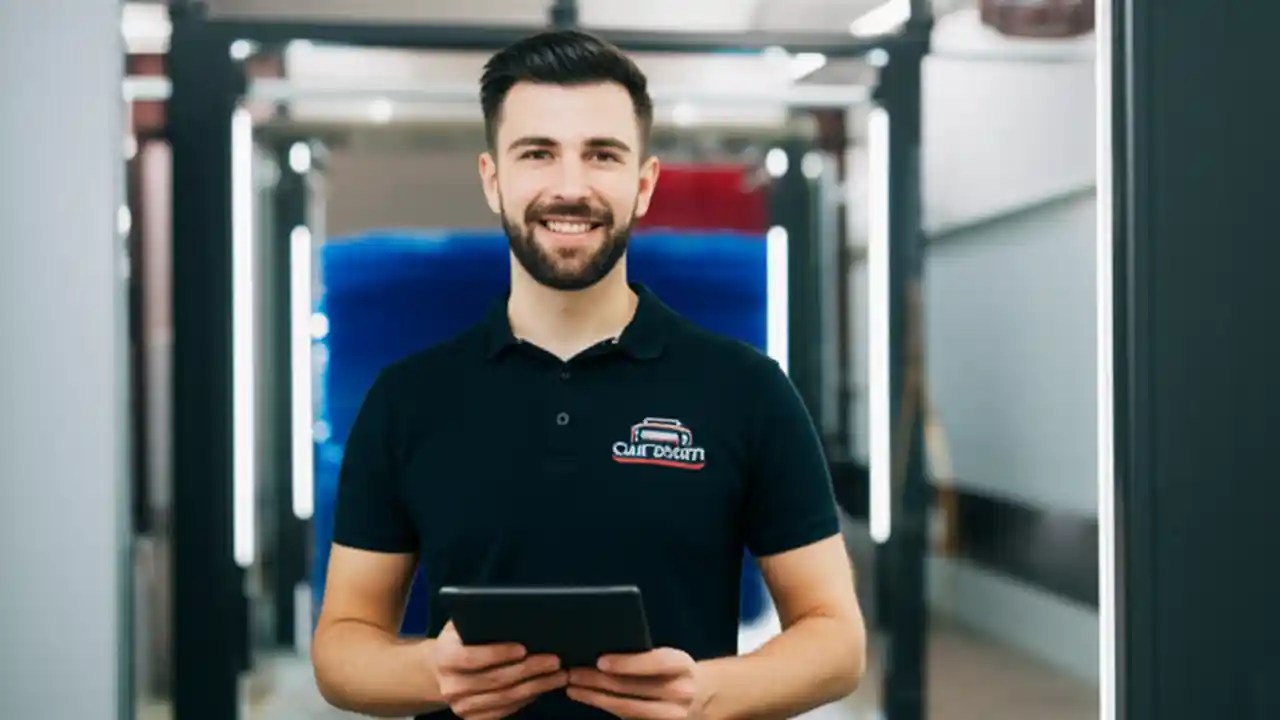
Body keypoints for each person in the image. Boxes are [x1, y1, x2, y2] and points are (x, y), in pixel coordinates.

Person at [311, 29, 867, 720]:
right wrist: (430, 673)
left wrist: (707, 693)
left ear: (643, 184)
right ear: (494, 178)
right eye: (538, 153)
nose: (570, 187)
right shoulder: (408, 399)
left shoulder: (746, 390)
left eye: (601, 155)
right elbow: (341, 647)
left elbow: (836, 638)